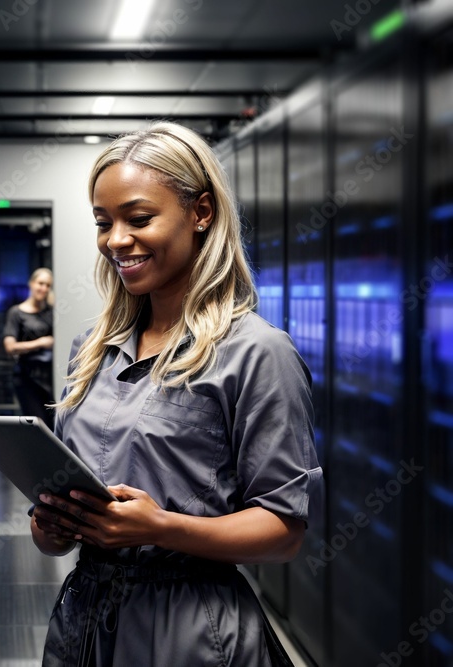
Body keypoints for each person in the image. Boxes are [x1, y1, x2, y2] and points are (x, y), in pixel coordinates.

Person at [30, 122, 322, 666]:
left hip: (191, 627)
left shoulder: (257, 353)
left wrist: (161, 527)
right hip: (86, 620)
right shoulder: (90, 349)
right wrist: (52, 526)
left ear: (201, 213)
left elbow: (285, 530)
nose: (116, 239)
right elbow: (55, 536)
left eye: (139, 219)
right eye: (103, 222)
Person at [3, 267, 55, 428]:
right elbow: (10, 347)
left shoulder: (51, 312)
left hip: (50, 376)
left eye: (48, 285)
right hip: (28, 378)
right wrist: (41, 342)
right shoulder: (16, 313)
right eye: (40, 283)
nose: (44, 288)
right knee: (38, 425)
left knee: (55, 424)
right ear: (31, 284)